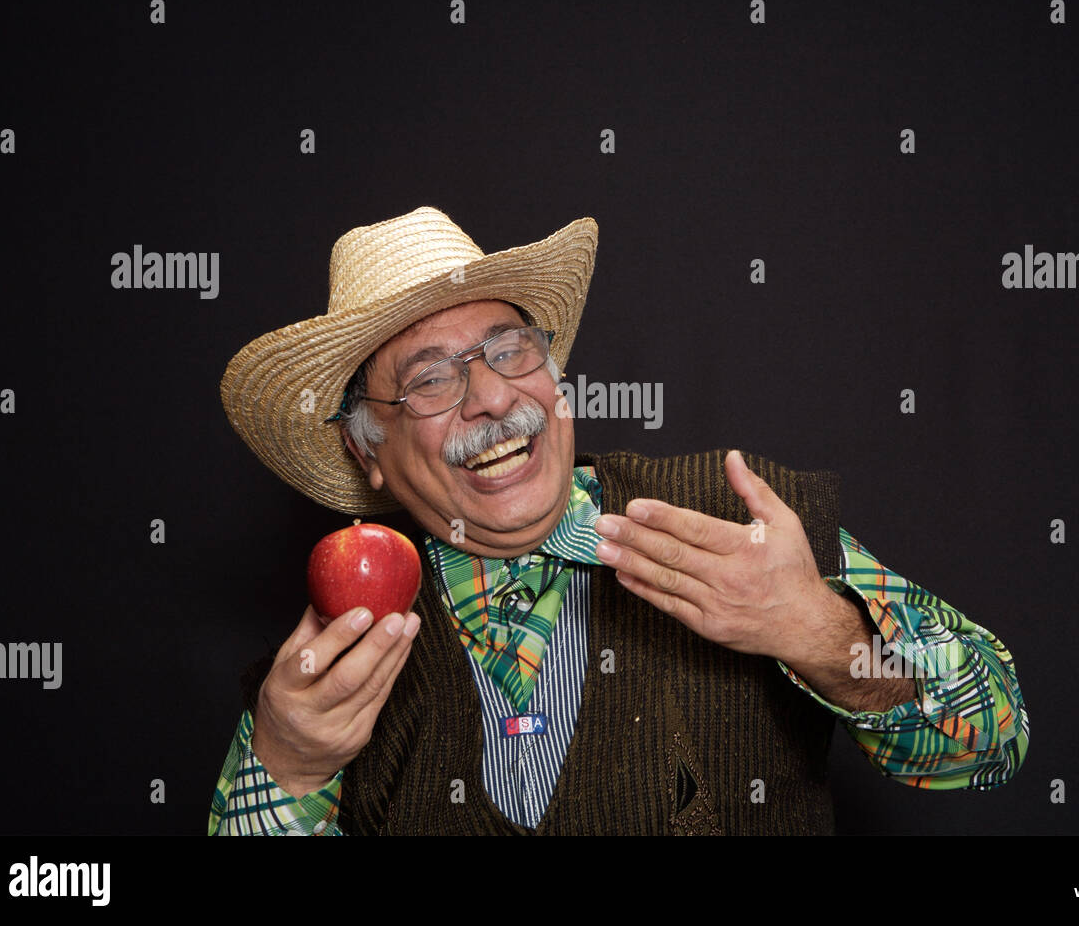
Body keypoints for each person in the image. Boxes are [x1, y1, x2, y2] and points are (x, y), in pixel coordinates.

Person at [210, 206, 1029, 835]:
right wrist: (288, 762)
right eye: (430, 381)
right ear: (370, 453)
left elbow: (994, 739)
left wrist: (815, 629)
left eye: (510, 350)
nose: (494, 397)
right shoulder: (336, 660)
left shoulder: (730, 520)